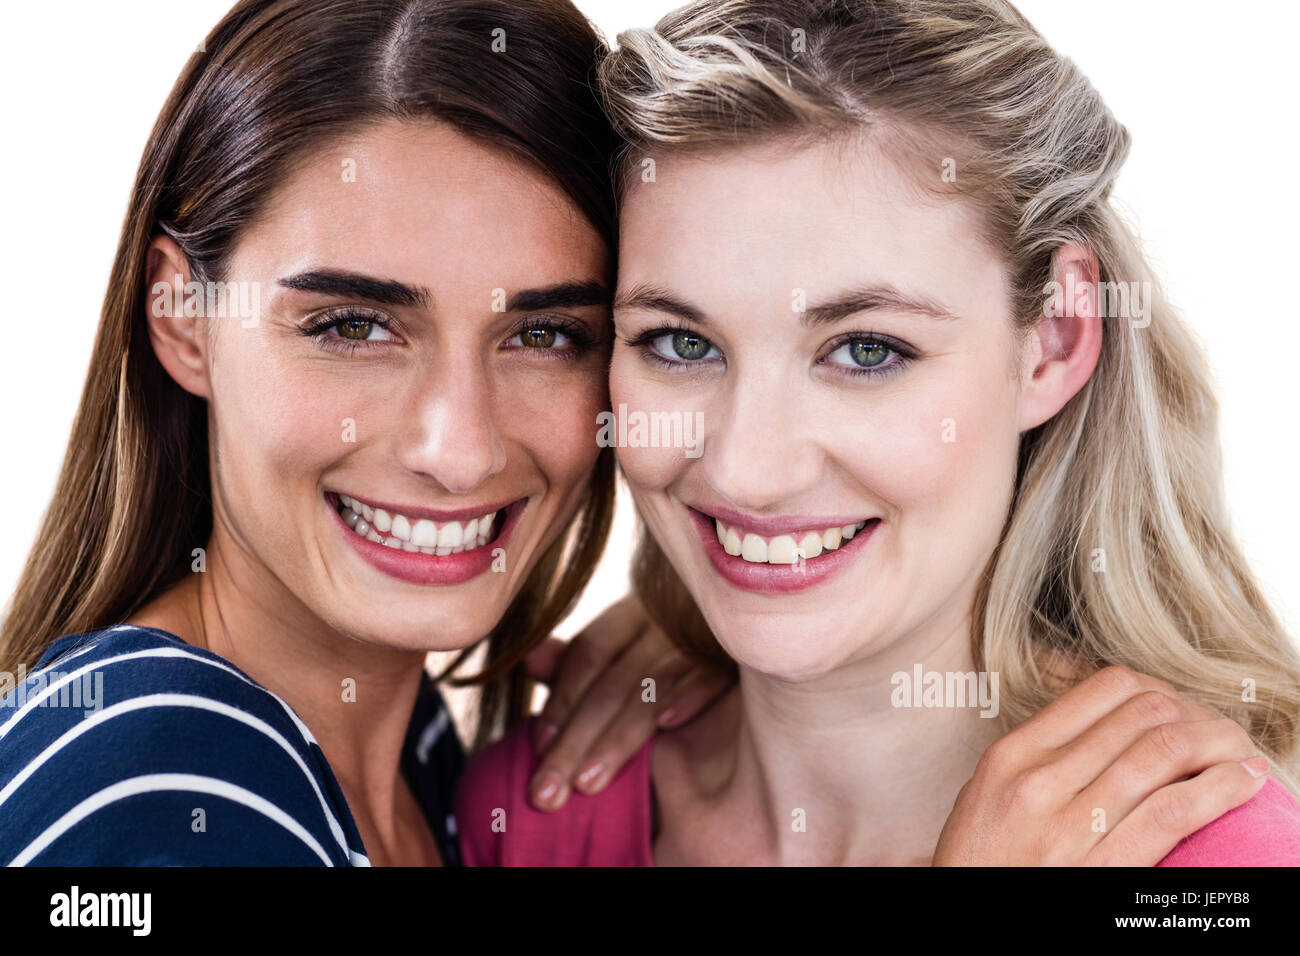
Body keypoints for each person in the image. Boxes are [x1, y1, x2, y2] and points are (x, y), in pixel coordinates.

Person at [455, 0, 1300, 865]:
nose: (749, 471)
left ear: (1056, 339)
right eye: (681, 343)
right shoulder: (531, 817)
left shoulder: (1215, 858)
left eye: (865, 350)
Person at [0, 0, 722, 866]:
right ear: (183, 315)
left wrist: (723, 620)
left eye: (544, 335)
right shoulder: (166, 786)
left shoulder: (411, 751)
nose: (458, 452)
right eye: (352, 325)